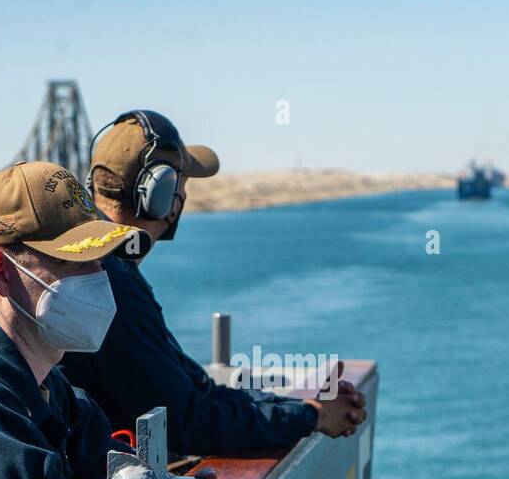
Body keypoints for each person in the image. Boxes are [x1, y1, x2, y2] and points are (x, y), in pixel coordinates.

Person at [58, 110, 367, 457]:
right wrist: (314, 417)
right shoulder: (110, 283)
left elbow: (195, 388)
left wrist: (298, 406)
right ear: (160, 195)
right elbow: (189, 423)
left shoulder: (107, 266)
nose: (183, 196)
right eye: (182, 185)